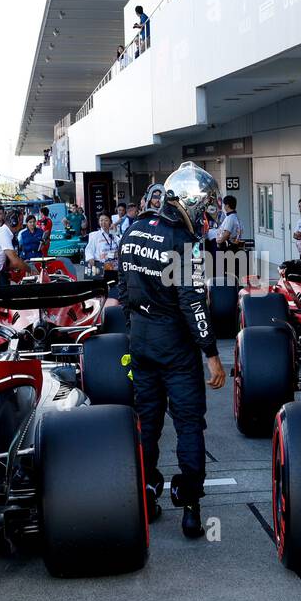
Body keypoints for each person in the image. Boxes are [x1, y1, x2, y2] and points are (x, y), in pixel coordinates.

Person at [117, 162, 226, 538]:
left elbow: (121, 290)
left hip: (141, 343)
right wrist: (212, 354)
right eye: (206, 203)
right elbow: (193, 303)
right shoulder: (185, 242)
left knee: (147, 425)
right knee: (189, 425)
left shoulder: (130, 230)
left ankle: (146, 498)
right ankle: (191, 508)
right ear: (190, 201)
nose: (209, 211)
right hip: (175, 349)